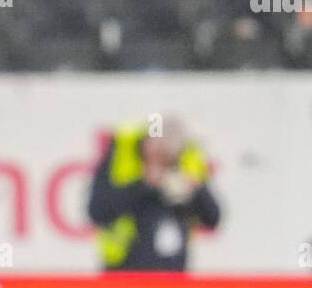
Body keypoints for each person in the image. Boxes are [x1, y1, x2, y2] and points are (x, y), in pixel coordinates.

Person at [87, 116, 220, 271]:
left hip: (172, 275)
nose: (161, 161)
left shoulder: (187, 160)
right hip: (123, 274)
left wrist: (193, 190)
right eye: (159, 152)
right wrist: (143, 185)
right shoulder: (121, 152)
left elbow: (213, 218)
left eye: (168, 158)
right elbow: (97, 211)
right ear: (148, 143)